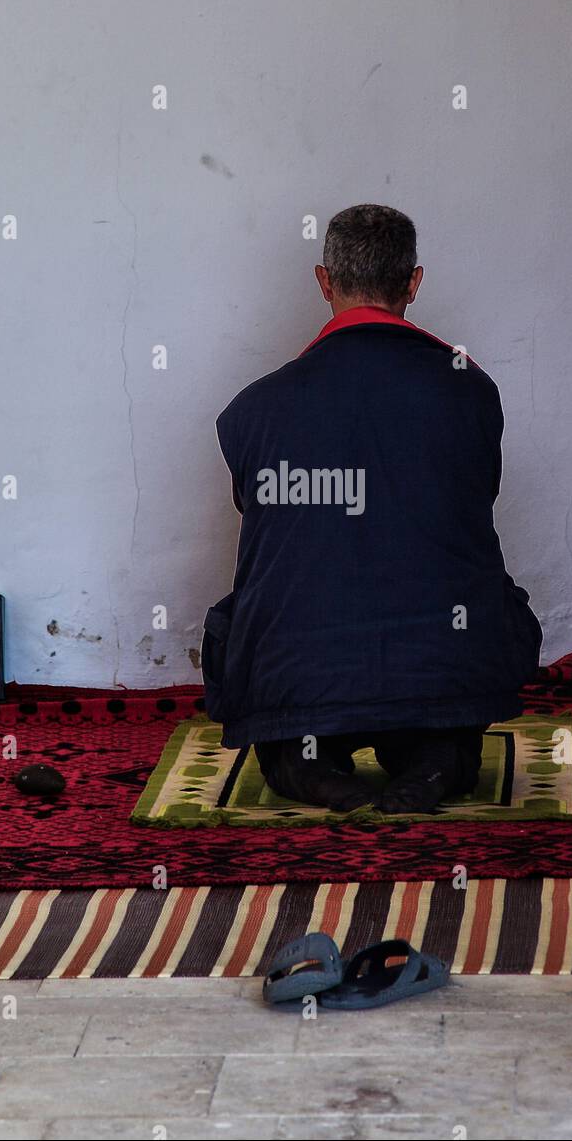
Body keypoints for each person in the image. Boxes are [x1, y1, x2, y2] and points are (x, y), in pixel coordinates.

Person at [202, 204, 542, 814]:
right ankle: (437, 760)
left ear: (324, 281)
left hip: (301, 673)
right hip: (439, 666)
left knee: (273, 669)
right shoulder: (472, 392)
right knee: (466, 651)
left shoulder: (252, 410)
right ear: (414, 282)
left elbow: (265, 527)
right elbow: (472, 506)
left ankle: (312, 769)